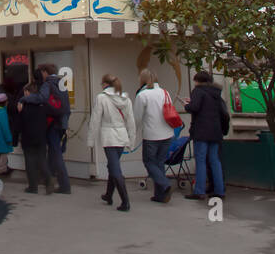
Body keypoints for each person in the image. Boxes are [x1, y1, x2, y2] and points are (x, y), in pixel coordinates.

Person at [87, 73, 136, 211]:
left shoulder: (101, 98)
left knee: (115, 169)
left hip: (108, 137)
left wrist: (91, 140)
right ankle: (108, 195)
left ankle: (125, 201)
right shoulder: (126, 99)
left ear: (105, 84)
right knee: (112, 165)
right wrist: (132, 140)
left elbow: (95, 120)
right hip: (122, 136)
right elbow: (131, 121)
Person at [184, 70, 229, 201]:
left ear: (197, 81)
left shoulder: (198, 91)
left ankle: (199, 191)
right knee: (215, 160)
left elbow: (194, 108)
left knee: (201, 160)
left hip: (201, 131)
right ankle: (220, 190)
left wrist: (187, 105)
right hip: (215, 131)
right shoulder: (216, 93)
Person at [133, 68, 175, 203]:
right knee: (159, 163)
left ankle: (165, 184)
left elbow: (137, 118)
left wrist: (132, 134)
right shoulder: (165, 92)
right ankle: (160, 195)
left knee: (149, 162)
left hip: (151, 134)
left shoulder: (142, 95)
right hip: (167, 133)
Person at [35, 63, 72, 194]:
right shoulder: (62, 84)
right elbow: (67, 107)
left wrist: (26, 99)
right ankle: (48, 179)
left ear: (45, 72)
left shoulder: (47, 84)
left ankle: (64, 185)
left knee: (56, 153)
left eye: (41, 72)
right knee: (53, 152)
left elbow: (42, 98)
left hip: (52, 123)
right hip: (61, 123)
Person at [17, 83, 55, 194]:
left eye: (25, 92)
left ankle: (33, 187)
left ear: (27, 92)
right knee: (42, 160)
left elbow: (20, 123)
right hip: (41, 136)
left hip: (28, 137)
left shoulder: (23, 105)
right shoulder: (43, 104)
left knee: (30, 162)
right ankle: (48, 180)